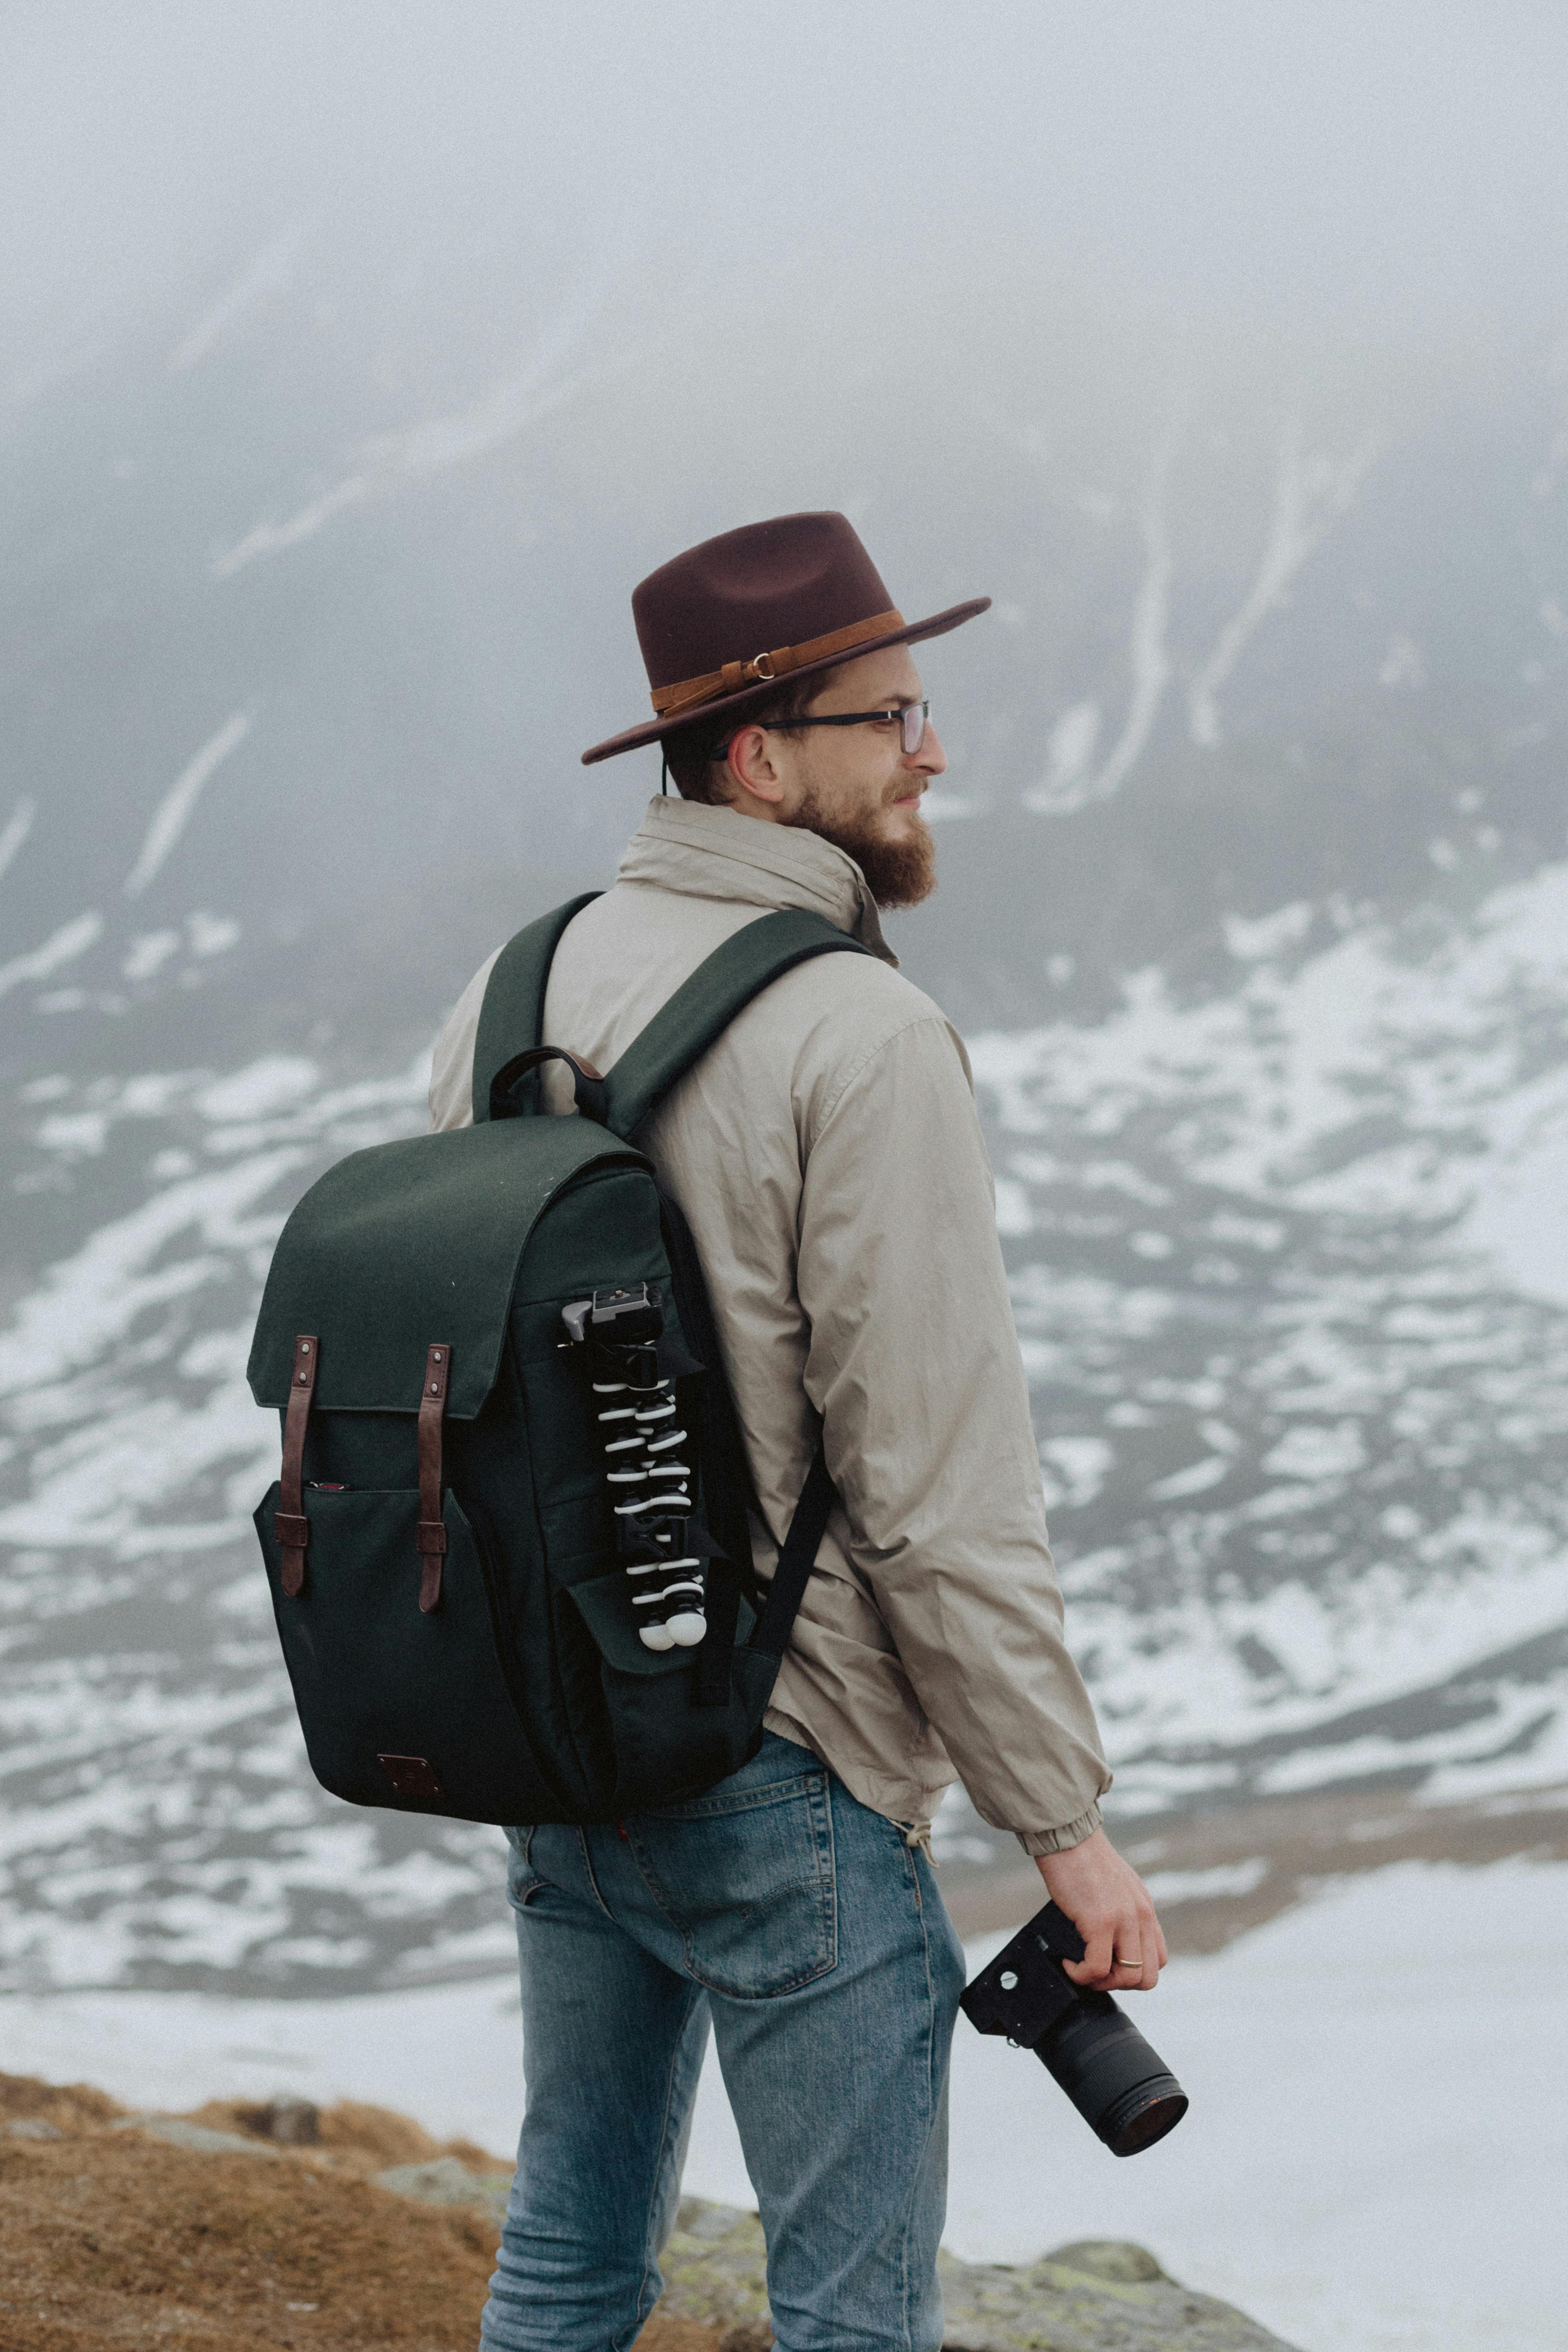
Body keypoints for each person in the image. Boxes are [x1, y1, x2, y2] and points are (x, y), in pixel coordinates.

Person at [428, 511, 1167, 2352]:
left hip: (565, 1740)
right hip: (789, 1769)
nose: (935, 752)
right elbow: (932, 1492)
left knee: (570, 2258)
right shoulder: (860, 1032)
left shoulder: (508, 991)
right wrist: (1063, 1828)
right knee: (854, 2318)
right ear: (761, 759)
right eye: (894, 715)